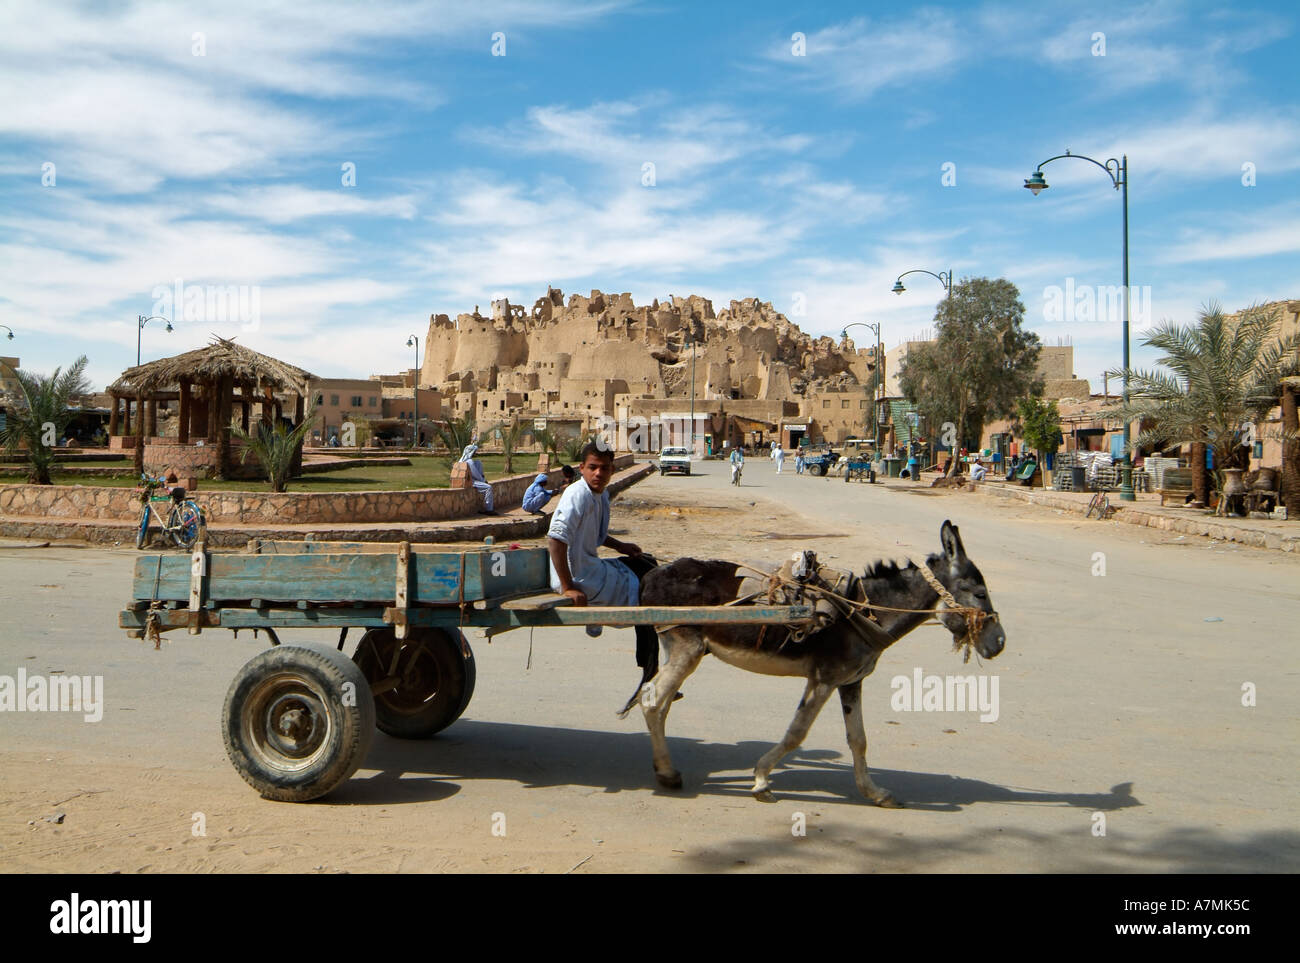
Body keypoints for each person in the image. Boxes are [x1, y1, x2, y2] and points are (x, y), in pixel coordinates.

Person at [548, 441, 660, 699]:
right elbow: (555, 539)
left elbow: (598, 536)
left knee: (648, 565)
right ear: (582, 468)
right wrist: (568, 588)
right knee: (648, 589)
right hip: (577, 576)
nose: (599, 473)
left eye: (605, 468)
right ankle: (650, 671)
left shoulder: (600, 496)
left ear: (612, 470)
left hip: (589, 569)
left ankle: (651, 669)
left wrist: (621, 546)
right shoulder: (578, 494)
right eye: (593, 467)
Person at [458, 442, 495, 515]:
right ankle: (489, 509)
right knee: (488, 488)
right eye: (474, 452)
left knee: (478, 462)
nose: (475, 453)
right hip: (470, 481)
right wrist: (483, 481)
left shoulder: (463, 460)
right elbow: (476, 474)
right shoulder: (469, 462)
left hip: (469, 480)